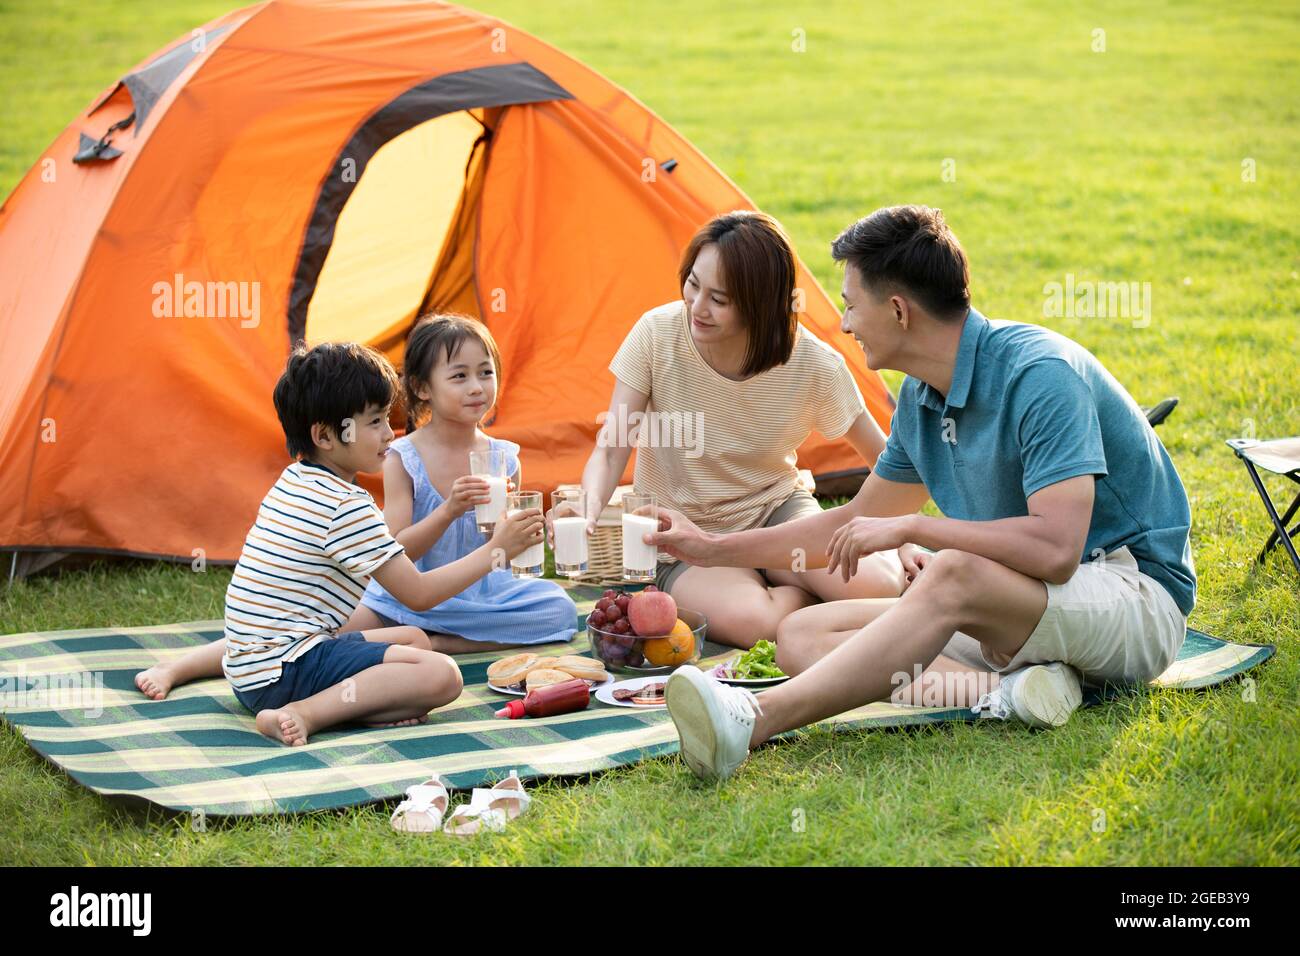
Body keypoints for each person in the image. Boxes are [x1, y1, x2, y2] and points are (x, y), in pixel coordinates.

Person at [650, 205, 1195, 781]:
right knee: (802, 634)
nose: (844, 323)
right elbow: (851, 524)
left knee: (951, 571)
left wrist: (916, 528)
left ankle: (755, 719)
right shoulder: (921, 399)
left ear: (898, 310)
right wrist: (710, 548)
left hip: (1132, 598)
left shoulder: (1040, 374)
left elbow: (1058, 551)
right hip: (1018, 606)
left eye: (850, 304)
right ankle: (1013, 693)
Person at [136, 342, 544, 745]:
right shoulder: (346, 506)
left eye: (387, 418)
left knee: (414, 640)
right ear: (326, 436)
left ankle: (359, 704)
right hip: (285, 676)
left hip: (250, 670)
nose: (389, 433)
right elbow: (418, 595)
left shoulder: (294, 479)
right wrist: (497, 551)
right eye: (374, 422)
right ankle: (303, 714)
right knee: (442, 676)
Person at [559, 210, 904, 648]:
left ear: (760, 304)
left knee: (879, 586)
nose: (697, 307)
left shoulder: (813, 363)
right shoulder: (655, 335)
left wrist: (902, 537)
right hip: (683, 537)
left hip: (778, 517)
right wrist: (587, 510)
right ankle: (810, 599)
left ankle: (799, 588)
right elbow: (611, 451)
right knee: (755, 626)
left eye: (719, 299)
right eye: (693, 284)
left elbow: (889, 462)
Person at [345, 313, 578, 649]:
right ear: (422, 387)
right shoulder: (404, 458)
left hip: (482, 595)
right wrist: (448, 510)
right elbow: (397, 551)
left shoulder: (504, 459)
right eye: (459, 376)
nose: (476, 387)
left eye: (486, 372)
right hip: (417, 592)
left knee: (559, 611)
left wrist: (537, 530)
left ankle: (438, 643)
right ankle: (439, 636)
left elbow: (502, 554)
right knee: (343, 631)